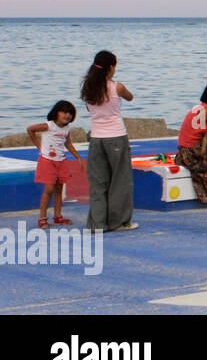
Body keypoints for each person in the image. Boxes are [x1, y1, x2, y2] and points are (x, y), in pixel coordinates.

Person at [80, 50, 138, 231]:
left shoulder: (87, 89)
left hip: (96, 139)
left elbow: (91, 111)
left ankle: (97, 224)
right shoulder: (116, 87)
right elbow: (130, 97)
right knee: (120, 181)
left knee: (98, 183)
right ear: (111, 67)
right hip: (116, 137)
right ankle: (118, 221)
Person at [26, 101, 85, 229]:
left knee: (59, 190)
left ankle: (58, 216)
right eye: (64, 112)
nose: (67, 115)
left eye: (70, 113)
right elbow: (30, 129)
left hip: (61, 161)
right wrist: (39, 146)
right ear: (56, 112)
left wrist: (78, 157)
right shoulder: (49, 125)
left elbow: (67, 144)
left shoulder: (67, 129)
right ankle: (42, 218)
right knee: (49, 190)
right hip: (48, 161)